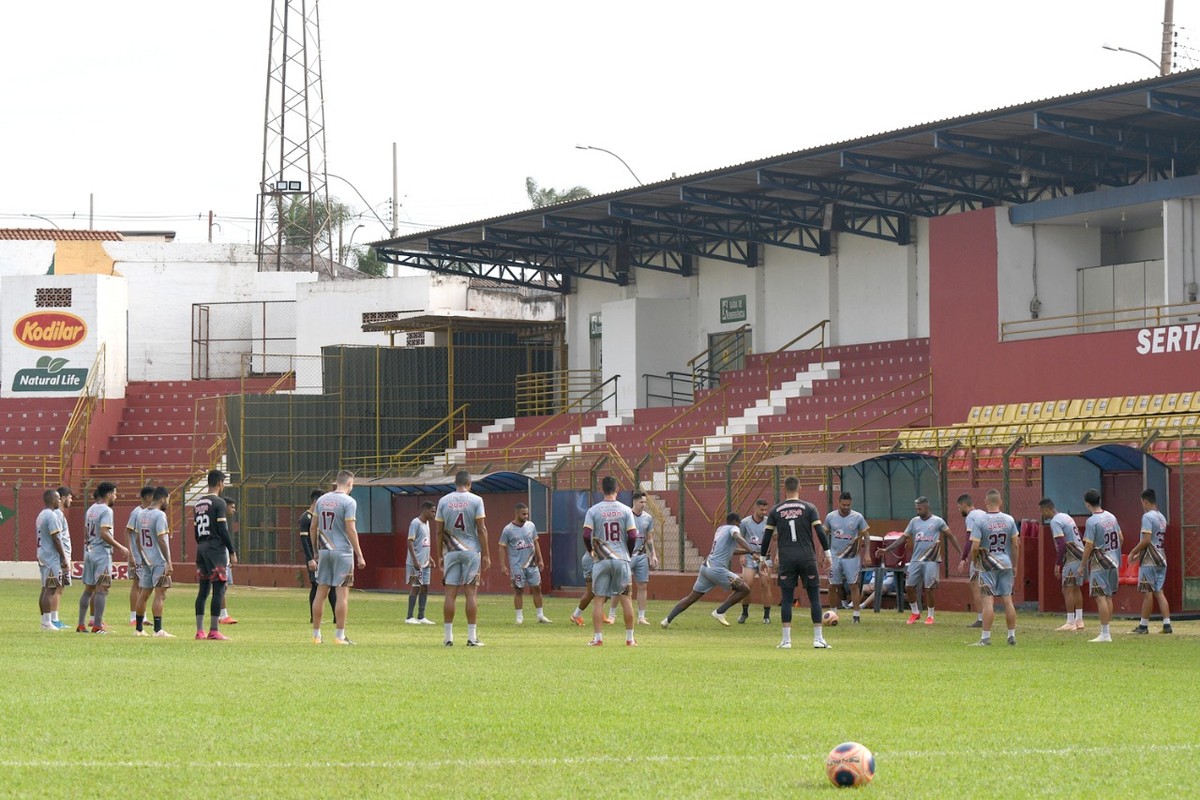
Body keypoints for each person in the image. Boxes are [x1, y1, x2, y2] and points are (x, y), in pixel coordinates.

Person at [760, 476, 831, 650]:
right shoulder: (809, 508)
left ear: (784, 489)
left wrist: (762, 559)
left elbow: (767, 536)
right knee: (814, 597)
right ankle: (818, 639)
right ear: (800, 488)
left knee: (786, 598)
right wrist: (828, 554)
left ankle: (786, 641)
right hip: (807, 557)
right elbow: (820, 532)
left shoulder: (775, 510)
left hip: (786, 559)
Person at [661, 512, 760, 629]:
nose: (739, 526)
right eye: (739, 523)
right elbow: (737, 537)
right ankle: (719, 612)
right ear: (735, 522)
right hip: (716, 569)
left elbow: (731, 551)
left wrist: (748, 551)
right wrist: (752, 551)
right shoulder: (733, 528)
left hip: (705, 567)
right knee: (744, 589)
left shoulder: (720, 529)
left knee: (692, 597)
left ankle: (667, 620)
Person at [309, 471, 366, 645]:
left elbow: (313, 527)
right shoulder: (349, 501)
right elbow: (351, 529)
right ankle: (340, 636)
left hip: (325, 549)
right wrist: (359, 555)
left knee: (321, 592)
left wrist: (316, 551)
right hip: (342, 551)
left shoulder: (322, 500)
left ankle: (316, 635)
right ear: (350, 483)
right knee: (342, 594)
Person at [435, 470, 490, 647]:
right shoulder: (476, 500)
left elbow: (438, 531)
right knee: (471, 593)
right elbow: (481, 529)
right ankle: (472, 637)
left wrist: (439, 554)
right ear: (469, 483)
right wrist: (487, 554)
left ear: (455, 483)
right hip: (471, 551)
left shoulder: (443, 501)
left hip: (451, 551)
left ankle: (448, 638)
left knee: (450, 594)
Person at [583, 476, 638, 646]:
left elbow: (586, 534)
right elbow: (632, 535)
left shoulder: (593, 510)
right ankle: (630, 639)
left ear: (602, 489)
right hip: (621, 558)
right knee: (626, 599)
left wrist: (591, 551)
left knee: (599, 599)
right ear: (617, 489)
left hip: (601, 559)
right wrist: (627, 553)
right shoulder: (626, 510)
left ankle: (598, 639)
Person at [880, 496, 952, 625]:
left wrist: (962, 554)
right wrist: (887, 550)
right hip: (916, 560)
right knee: (909, 587)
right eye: (916, 509)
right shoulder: (914, 522)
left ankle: (930, 615)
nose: (918, 511)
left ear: (926, 506)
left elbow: (950, 536)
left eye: (920, 509)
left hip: (931, 559)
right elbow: (903, 538)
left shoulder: (938, 521)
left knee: (929, 588)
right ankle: (915, 612)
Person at [967, 489, 1020, 646]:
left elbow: (974, 547)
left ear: (985, 502)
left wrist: (976, 561)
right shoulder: (1009, 519)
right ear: (1000, 502)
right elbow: (1016, 545)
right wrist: (1015, 565)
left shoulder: (980, 521)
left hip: (987, 565)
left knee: (988, 601)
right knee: (1008, 600)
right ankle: (1011, 635)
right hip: (1005, 564)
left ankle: (985, 638)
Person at [77, 482, 128, 634]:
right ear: (109, 495)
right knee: (102, 589)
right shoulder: (106, 510)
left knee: (88, 589)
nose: (116, 497)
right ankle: (97, 626)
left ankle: (81, 625)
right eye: (115, 494)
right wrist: (120, 547)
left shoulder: (91, 509)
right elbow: (104, 533)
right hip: (101, 553)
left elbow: (86, 532)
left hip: (89, 551)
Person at [193, 470, 238, 641]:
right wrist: (232, 551)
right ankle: (214, 630)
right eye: (223, 483)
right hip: (215, 550)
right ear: (219, 483)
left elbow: (196, 531)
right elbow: (222, 530)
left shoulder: (198, 503)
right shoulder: (219, 502)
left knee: (203, 590)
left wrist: (201, 545)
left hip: (201, 547)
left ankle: (199, 631)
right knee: (219, 588)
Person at [1080, 488, 1122, 644]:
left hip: (1100, 562)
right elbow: (1121, 537)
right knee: (1108, 595)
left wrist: (1082, 565)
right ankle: (1106, 631)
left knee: (1100, 596)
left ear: (1087, 503)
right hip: (1114, 561)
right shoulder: (1111, 516)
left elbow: (1089, 545)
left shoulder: (1092, 521)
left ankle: (1105, 634)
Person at [1127, 489, 1172, 635]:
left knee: (1147, 593)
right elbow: (1153, 541)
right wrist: (1138, 555)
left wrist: (1133, 552)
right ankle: (1167, 624)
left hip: (1149, 560)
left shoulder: (1147, 517)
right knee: (1159, 592)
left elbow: (1146, 540)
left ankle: (1143, 626)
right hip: (1161, 558)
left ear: (1145, 501)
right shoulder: (1162, 517)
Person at [498, 502, 552, 625]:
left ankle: (540, 615)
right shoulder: (508, 529)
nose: (526, 516)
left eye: (527, 514)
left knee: (537, 588)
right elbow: (501, 547)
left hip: (532, 564)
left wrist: (540, 559)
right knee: (519, 590)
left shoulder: (531, 526)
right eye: (523, 514)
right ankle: (519, 617)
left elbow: (536, 542)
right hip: (517, 566)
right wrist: (503, 565)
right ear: (516, 513)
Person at [133, 486, 174, 638]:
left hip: (146, 560)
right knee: (160, 594)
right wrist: (168, 561)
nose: (168, 502)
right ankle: (157, 630)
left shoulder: (141, 513)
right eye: (168, 499)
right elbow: (162, 539)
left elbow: (137, 539)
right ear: (163, 499)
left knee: (144, 593)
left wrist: (142, 556)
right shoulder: (160, 515)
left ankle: (138, 629)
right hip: (159, 560)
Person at [1040, 498, 1085, 632]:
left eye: (1042, 511)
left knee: (1067, 589)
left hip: (1071, 556)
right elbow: (1079, 534)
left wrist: (1058, 563)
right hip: (1081, 553)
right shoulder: (1066, 517)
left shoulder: (1055, 521)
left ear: (1047, 509)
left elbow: (1061, 544)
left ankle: (1070, 621)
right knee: (1076, 588)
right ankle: (1079, 620)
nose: (1042, 514)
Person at [825, 492, 870, 624]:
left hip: (851, 557)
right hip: (834, 557)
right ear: (839, 503)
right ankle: (833, 613)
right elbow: (823, 534)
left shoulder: (857, 517)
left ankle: (856, 615)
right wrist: (823, 553)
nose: (846, 507)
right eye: (843, 505)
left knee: (853, 585)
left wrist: (867, 554)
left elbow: (866, 536)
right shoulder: (830, 517)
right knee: (832, 585)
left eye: (848, 505)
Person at [299, 489, 337, 623]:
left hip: (325, 555)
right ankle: (314, 618)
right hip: (314, 557)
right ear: (316, 502)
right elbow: (304, 541)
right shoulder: (306, 518)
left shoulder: (321, 517)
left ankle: (337, 617)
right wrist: (310, 559)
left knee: (332, 585)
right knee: (316, 585)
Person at [737, 499, 774, 624]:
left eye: (766, 510)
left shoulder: (769, 522)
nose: (764, 512)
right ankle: (744, 612)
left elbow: (774, 539)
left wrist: (772, 555)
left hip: (765, 557)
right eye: (761, 509)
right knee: (746, 585)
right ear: (755, 508)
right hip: (750, 556)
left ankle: (766, 615)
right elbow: (740, 538)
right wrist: (742, 555)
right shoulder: (745, 522)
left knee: (765, 584)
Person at [36, 489, 68, 631]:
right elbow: (56, 538)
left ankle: (45, 620)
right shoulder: (52, 516)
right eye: (58, 499)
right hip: (51, 556)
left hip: (42, 553)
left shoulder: (41, 515)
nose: (60, 501)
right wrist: (63, 557)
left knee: (45, 588)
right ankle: (47, 623)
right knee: (51, 589)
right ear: (53, 500)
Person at [955, 493, 987, 628]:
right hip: (990, 554)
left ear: (964, 505)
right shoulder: (984, 513)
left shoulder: (971, 517)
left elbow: (970, 538)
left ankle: (981, 619)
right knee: (986, 587)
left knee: (975, 585)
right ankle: (988, 615)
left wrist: (963, 558)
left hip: (978, 555)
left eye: (959, 507)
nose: (959, 510)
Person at [125, 486, 154, 627]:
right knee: (137, 584)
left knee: (144, 585)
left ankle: (142, 616)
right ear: (148, 497)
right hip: (137, 555)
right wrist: (131, 554)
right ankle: (133, 617)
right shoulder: (137, 512)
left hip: (145, 555)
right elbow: (127, 532)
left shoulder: (148, 513)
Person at [404, 501, 437, 625]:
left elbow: (423, 543)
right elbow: (410, 541)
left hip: (425, 562)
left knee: (425, 587)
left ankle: (421, 616)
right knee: (416, 587)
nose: (434, 514)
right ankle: (409, 617)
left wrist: (430, 557)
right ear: (425, 510)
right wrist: (414, 560)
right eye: (432, 511)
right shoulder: (415, 523)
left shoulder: (427, 524)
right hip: (416, 562)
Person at [629, 491, 658, 626]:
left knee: (642, 585)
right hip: (627, 555)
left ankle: (641, 617)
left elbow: (649, 538)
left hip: (641, 555)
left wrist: (653, 554)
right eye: (641, 502)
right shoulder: (627, 515)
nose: (644, 504)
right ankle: (612, 614)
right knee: (622, 585)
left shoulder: (648, 518)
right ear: (634, 502)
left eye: (645, 502)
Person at [51, 486, 73, 629]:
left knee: (59, 587)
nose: (71, 500)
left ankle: (53, 618)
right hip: (61, 556)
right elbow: (57, 537)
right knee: (57, 587)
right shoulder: (58, 514)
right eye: (70, 497)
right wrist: (64, 556)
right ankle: (54, 619)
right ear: (63, 498)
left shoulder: (58, 514)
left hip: (62, 555)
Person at [219, 499, 238, 625]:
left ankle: (220, 614)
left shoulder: (222, 520)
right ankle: (223, 615)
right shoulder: (220, 520)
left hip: (222, 556)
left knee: (223, 586)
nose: (234, 510)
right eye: (232, 507)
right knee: (221, 586)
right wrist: (231, 553)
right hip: (220, 556)